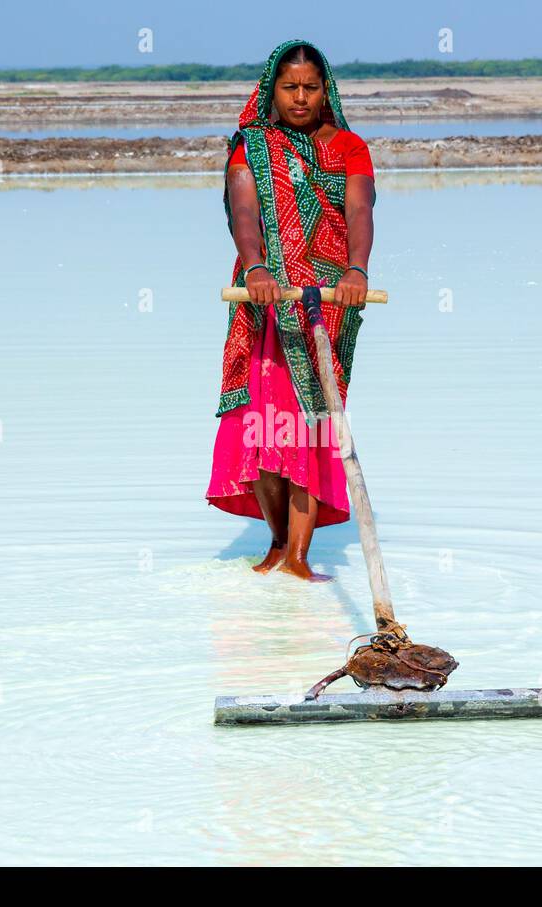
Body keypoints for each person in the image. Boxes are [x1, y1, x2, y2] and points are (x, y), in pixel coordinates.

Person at [205, 39, 376, 582]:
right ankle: (277, 542)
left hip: (325, 301)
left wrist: (357, 271)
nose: (300, 98)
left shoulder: (350, 147)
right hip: (264, 300)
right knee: (261, 420)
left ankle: (300, 555)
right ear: (271, 91)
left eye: (310, 87)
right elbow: (244, 209)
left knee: (311, 423)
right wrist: (255, 266)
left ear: (326, 91)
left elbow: (359, 208)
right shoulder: (250, 146)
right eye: (289, 87)